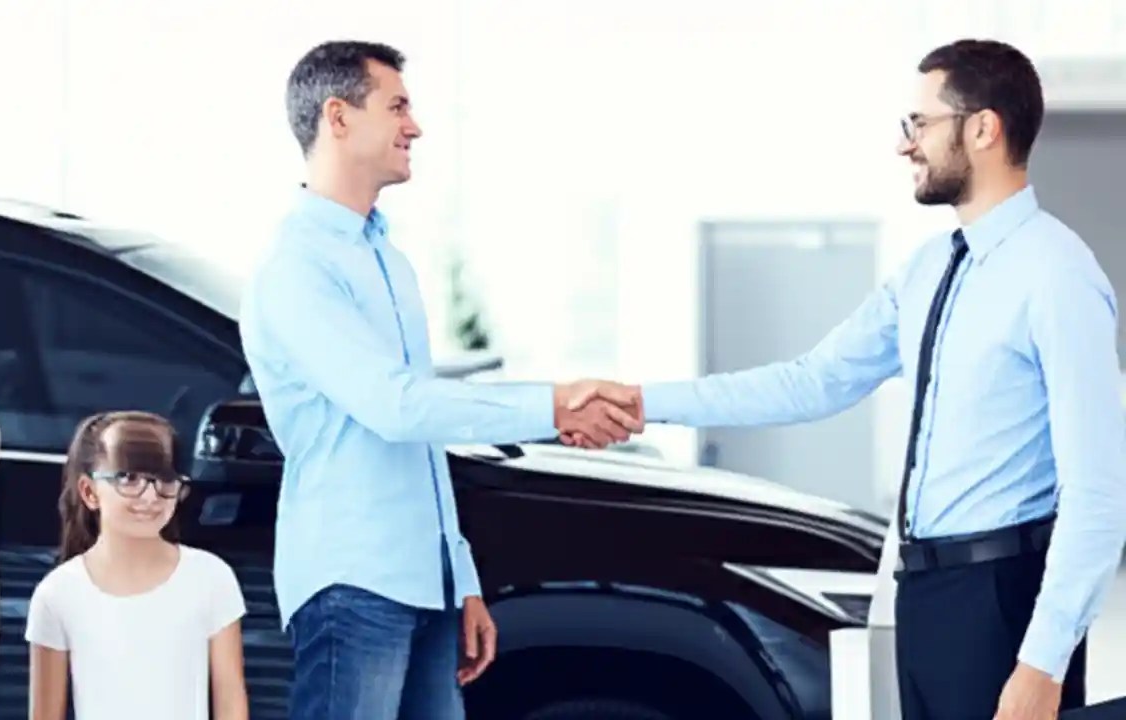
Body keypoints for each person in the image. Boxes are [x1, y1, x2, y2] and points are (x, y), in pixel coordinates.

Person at [572, 39, 1126, 720]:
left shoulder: (1057, 274)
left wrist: (1042, 662)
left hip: (1004, 599)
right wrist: (642, 402)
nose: (906, 145)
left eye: (920, 124)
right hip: (927, 597)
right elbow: (813, 382)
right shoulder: (929, 269)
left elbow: (1098, 496)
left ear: (983, 128)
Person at [239, 40, 643, 719]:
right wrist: (557, 404)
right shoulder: (296, 267)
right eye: (397, 106)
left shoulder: (387, 258)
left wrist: (462, 576)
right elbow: (394, 408)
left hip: (425, 582)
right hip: (352, 578)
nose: (415, 126)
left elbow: (421, 438)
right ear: (337, 118)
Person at [24, 411, 248, 720]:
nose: (150, 496)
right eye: (128, 479)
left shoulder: (211, 578)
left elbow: (231, 702)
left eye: (164, 480)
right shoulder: (58, 593)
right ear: (89, 492)